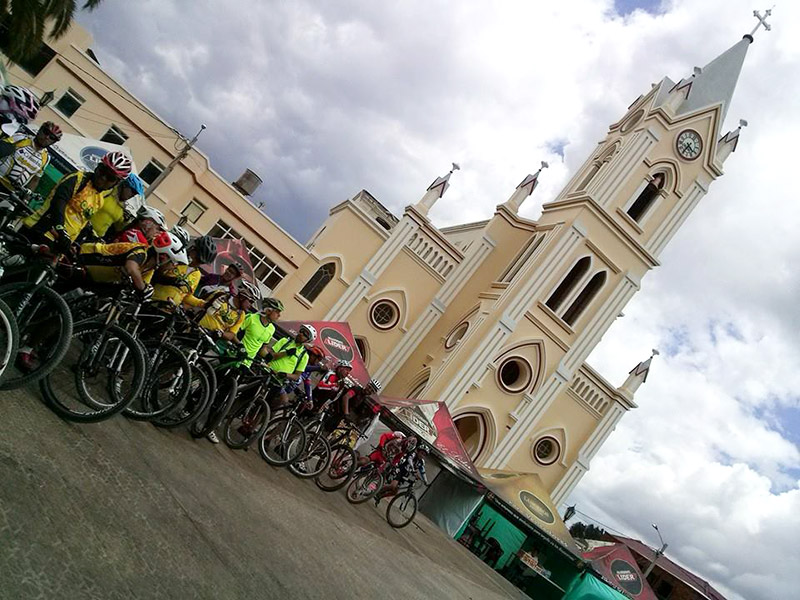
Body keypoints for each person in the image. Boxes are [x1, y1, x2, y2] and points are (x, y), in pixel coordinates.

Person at [21, 150, 131, 251]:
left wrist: (76, 243)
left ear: (116, 183)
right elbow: (58, 202)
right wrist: (60, 229)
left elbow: (81, 222)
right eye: (102, 171)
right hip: (40, 231)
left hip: (60, 244)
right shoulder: (78, 179)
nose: (103, 178)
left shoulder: (99, 199)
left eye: (110, 177)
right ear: (97, 167)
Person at [151, 232, 218, 307]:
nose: (197, 263)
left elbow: (187, 296)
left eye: (201, 262)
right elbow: (155, 274)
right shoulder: (176, 259)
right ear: (192, 249)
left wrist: (202, 303)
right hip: (153, 300)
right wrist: (171, 281)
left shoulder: (197, 274)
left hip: (169, 308)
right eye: (197, 258)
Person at [0, 120, 60, 193]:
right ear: (40, 130)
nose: (47, 137)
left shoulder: (46, 157)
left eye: (52, 137)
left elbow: (35, 179)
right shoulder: (20, 138)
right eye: (46, 132)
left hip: (11, 192)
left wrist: (27, 197)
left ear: (53, 142)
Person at [88, 172, 145, 239]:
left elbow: (118, 227)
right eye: (132, 191)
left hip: (96, 236)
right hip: (86, 228)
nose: (132, 195)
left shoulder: (123, 206)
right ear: (125, 185)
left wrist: (125, 222)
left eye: (135, 194)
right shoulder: (108, 192)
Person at [237, 297, 284, 367]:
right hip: (236, 356)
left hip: (247, 363)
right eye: (277, 312)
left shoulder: (272, 329)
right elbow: (234, 333)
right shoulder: (251, 318)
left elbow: (262, 349)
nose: (279, 315)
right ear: (268, 311)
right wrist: (239, 346)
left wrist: (268, 356)